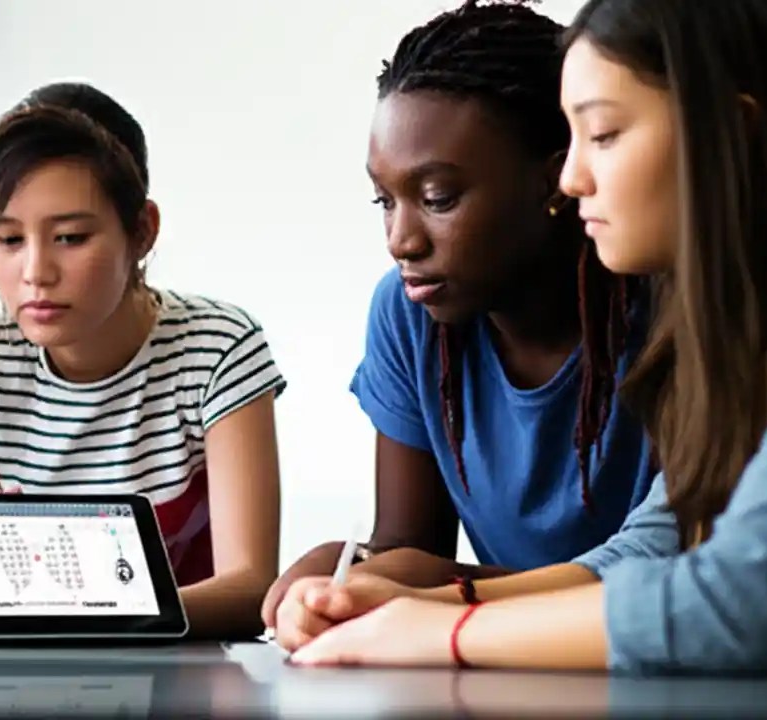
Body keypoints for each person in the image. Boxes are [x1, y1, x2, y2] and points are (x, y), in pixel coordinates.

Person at [279, 0, 767, 676]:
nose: (571, 179)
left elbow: (733, 601)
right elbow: (650, 548)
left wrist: (445, 632)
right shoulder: (751, 327)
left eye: (602, 135)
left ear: (735, 134)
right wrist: (426, 603)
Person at [261, 0, 655, 631]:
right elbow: (411, 549)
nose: (400, 239)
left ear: (561, 179)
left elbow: (683, 574)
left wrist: (443, 587)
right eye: (384, 200)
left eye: (437, 197)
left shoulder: (668, 307)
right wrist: (343, 574)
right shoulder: (408, 313)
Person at [0, 82, 284, 639]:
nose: (35, 271)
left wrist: (53, 605)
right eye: (8, 239)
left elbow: (250, 587)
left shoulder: (217, 348)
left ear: (142, 231)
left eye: (71, 237)